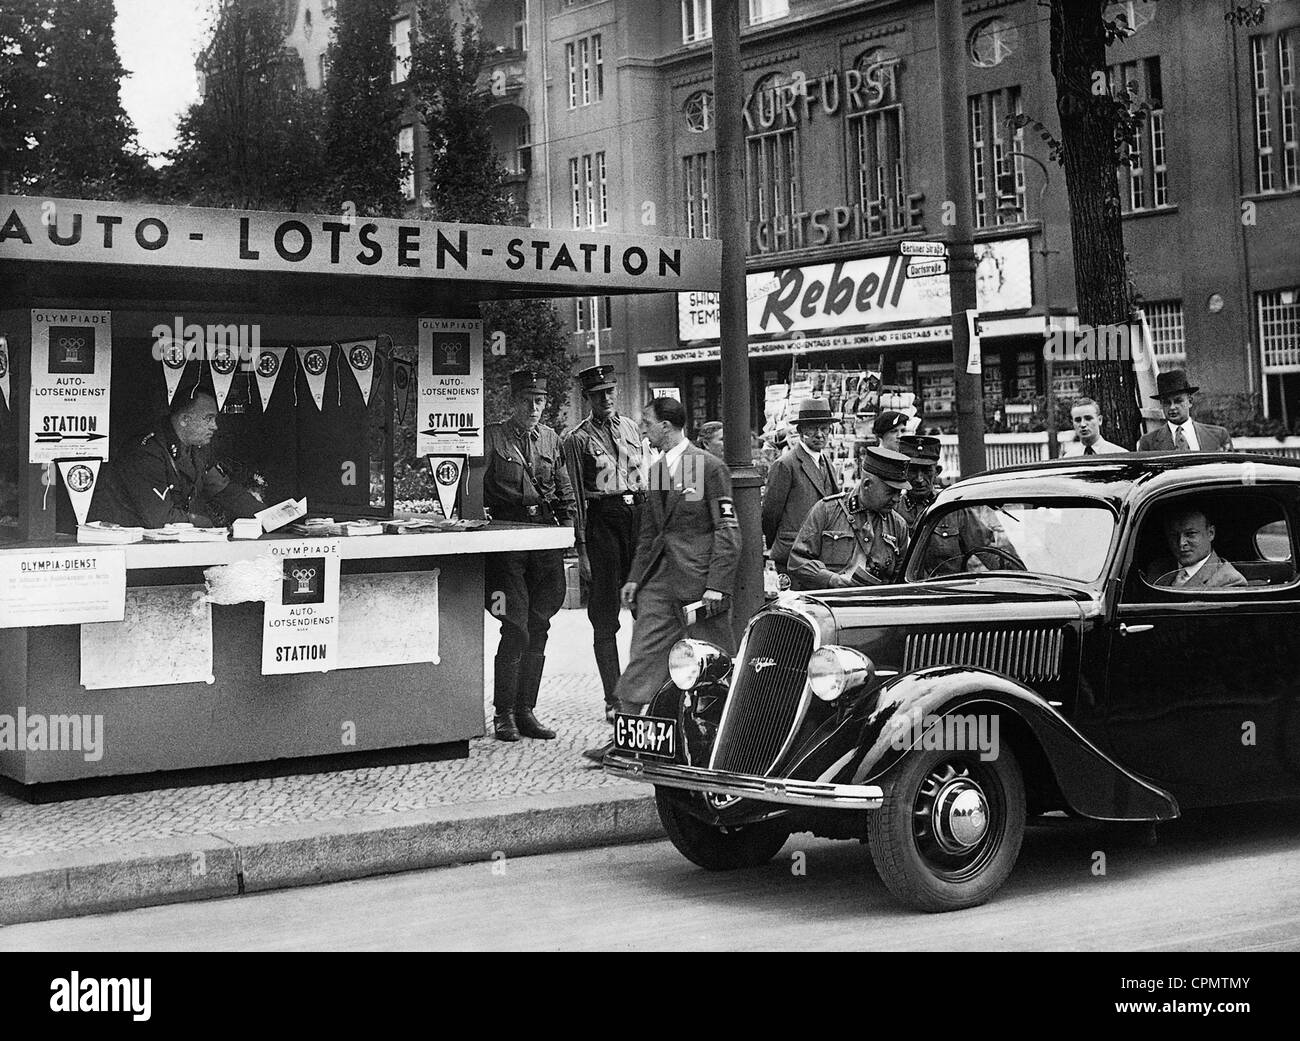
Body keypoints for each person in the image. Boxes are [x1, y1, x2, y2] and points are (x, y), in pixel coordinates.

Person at [583, 397, 741, 763]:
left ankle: (727, 741)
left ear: (666, 427)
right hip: (659, 581)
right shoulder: (655, 471)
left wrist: (717, 585)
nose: (641, 428)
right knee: (643, 656)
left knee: (713, 662)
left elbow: (727, 530)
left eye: (647, 422)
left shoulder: (707, 467)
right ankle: (626, 740)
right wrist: (635, 579)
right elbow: (650, 533)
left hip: (701, 585)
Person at [482, 370, 577, 742]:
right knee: (515, 625)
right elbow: (475, 492)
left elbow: (564, 488)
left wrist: (570, 534)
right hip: (507, 536)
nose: (534, 408)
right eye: (527, 400)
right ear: (513, 401)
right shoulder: (494, 436)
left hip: (545, 536)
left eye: (540, 401)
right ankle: (503, 712)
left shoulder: (552, 439)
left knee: (540, 623)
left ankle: (526, 710)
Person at [561, 364, 645, 722]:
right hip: (603, 522)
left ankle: (645, 690)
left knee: (646, 607)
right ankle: (614, 699)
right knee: (605, 615)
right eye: (598, 395)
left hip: (636, 519)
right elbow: (578, 496)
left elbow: (644, 477)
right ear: (587, 398)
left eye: (610, 391)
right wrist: (581, 548)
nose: (606, 398)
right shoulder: (577, 440)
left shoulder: (630, 428)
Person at [89, 391, 262, 528]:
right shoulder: (146, 451)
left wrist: (269, 517)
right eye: (208, 418)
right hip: (128, 544)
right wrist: (210, 525)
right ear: (185, 420)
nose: (215, 426)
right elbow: (161, 520)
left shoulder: (197, 449)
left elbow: (224, 491)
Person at [786, 446, 911, 590]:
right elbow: (797, 562)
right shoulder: (826, 511)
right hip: (829, 604)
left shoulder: (898, 525)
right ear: (867, 484)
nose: (896, 499)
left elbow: (900, 579)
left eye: (899, 493)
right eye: (890, 492)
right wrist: (831, 579)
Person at [761, 398, 840, 576]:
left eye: (825, 429)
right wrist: (782, 542)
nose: (820, 434)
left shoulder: (826, 462)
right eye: (813, 428)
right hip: (793, 555)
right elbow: (770, 514)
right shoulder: (786, 464)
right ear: (800, 431)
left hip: (821, 554)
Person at [1144, 506, 1246, 588]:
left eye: (1190, 534)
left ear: (1211, 533)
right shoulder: (1157, 569)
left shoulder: (1229, 580)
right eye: (1174, 535)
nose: (1181, 543)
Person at [1136, 370, 1233, 452]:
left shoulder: (1218, 436)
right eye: (1167, 403)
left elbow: (1229, 470)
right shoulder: (1148, 443)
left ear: (1190, 401)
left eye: (1178, 401)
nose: (1172, 407)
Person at [895, 434, 943, 528]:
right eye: (912, 471)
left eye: (926, 471)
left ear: (937, 471)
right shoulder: (891, 510)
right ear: (903, 471)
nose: (919, 479)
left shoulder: (949, 509)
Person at [1061, 396, 1128, 456]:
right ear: (1073, 423)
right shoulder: (1070, 458)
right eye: (1078, 420)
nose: (1083, 424)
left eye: (1088, 418)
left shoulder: (1119, 454)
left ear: (1099, 420)